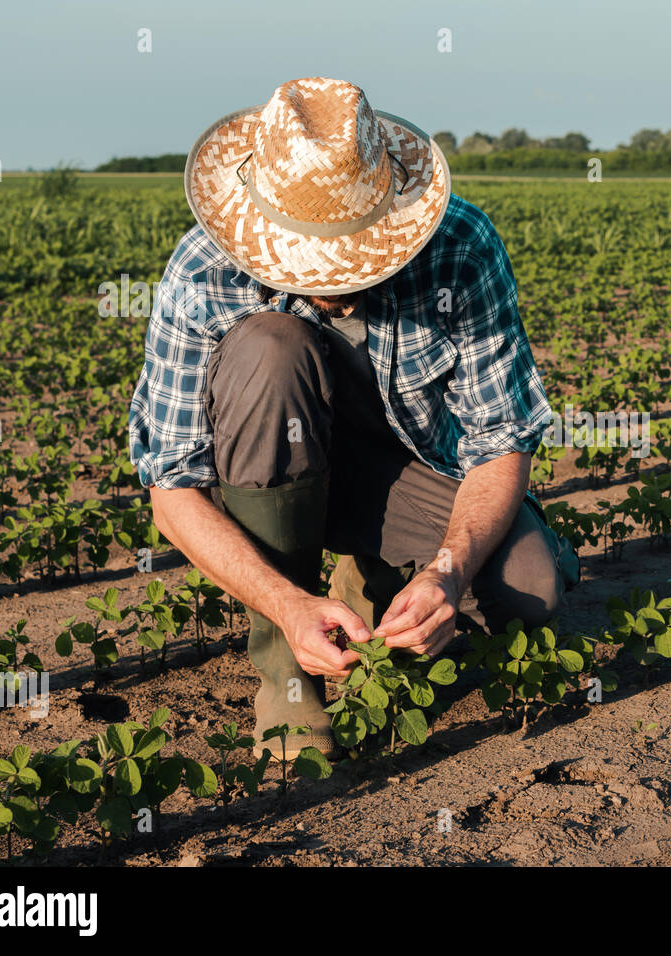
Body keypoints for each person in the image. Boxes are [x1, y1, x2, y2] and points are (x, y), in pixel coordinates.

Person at [128, 77, 578, 758]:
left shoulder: (459, 247)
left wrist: (448, 573)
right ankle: (288, 679)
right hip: (265, 479)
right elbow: (173, 491)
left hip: (398, 472)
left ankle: (374, 578)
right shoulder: (204, 273)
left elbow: (500, 441)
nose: (336, 285)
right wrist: (286, 604)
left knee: (529, 585)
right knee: (270, 346)